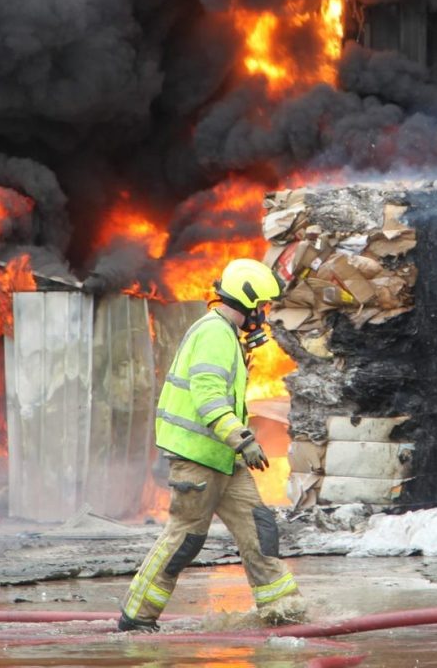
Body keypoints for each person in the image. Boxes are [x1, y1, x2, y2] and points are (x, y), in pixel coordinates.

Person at [118, 257, 306, 631]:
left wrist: (235, 447)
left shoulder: (226, 335)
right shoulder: (214, 334)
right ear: (248, 302)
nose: (263, 316)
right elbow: (209, 398)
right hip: (199, 461)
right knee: (185, 539)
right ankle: (136, 617)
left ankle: (282, 611)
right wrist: (243, 439)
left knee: (259, 528)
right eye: (262, 307)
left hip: (223, 461)